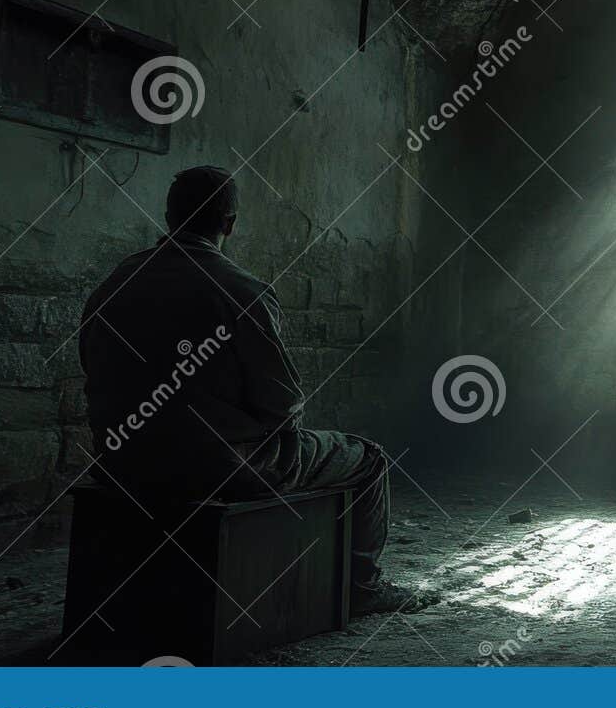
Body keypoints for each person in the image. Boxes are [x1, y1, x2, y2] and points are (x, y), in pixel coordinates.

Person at [79, 165, 419, 615]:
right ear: (230, 223)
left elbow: (92, 372)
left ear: (168, 216)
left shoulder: (114, 282)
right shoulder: (241, 289)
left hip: (121, 461)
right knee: (370, 459)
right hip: (217, 467)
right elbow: (284, 404)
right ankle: (362, 590)